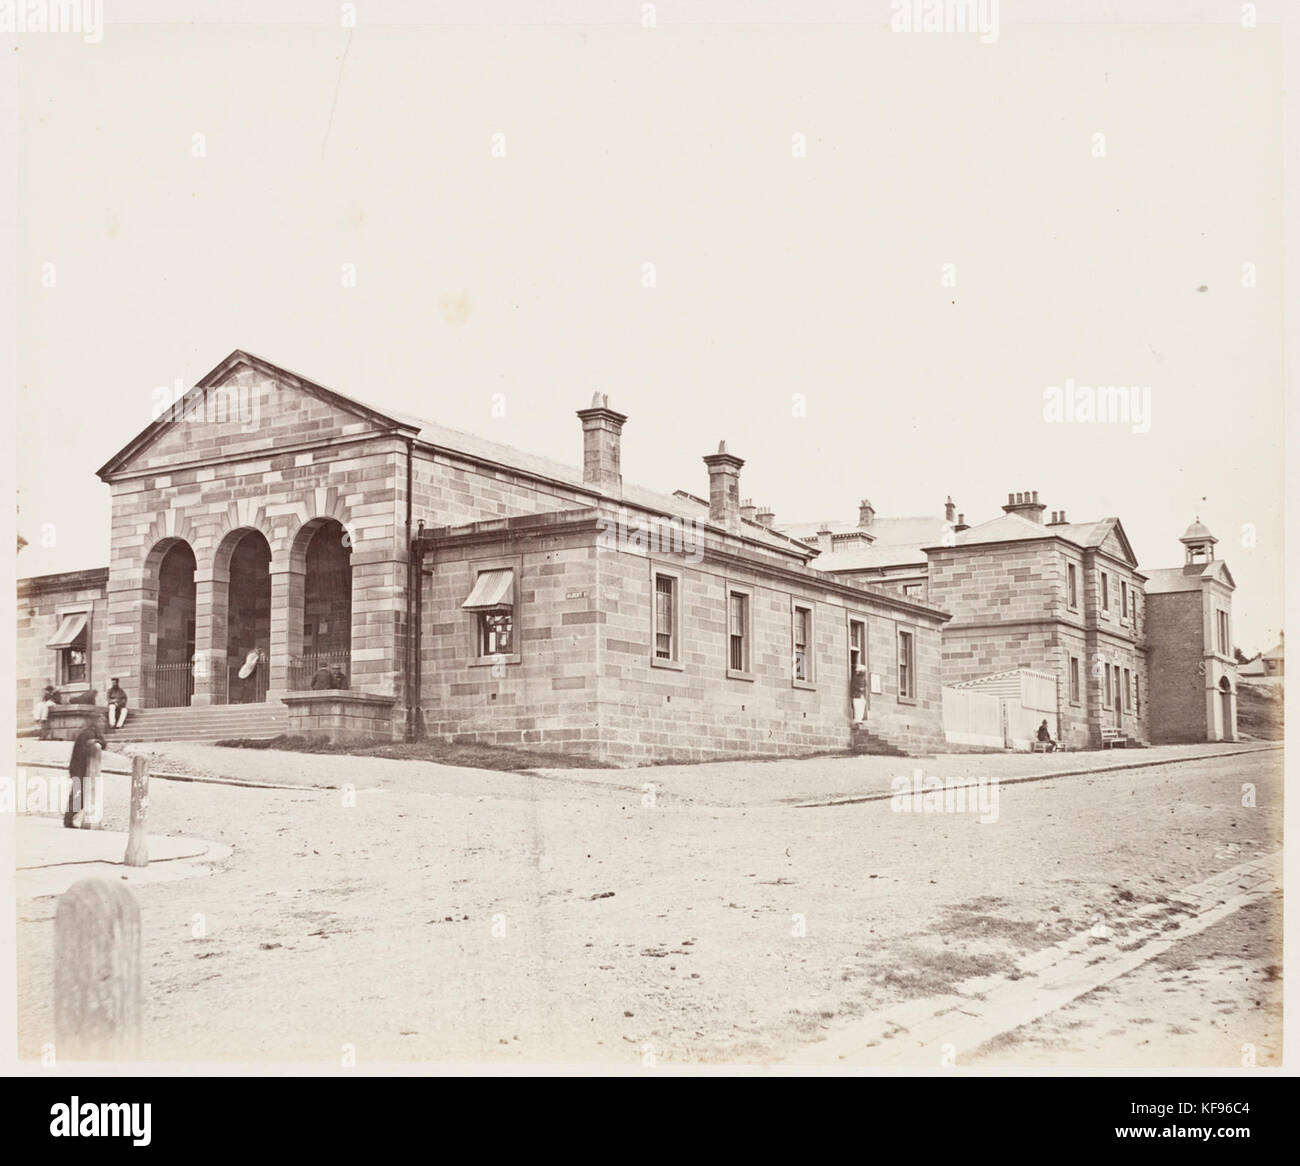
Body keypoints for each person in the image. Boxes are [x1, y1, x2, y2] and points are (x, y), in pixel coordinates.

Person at [65, 718, 106, 828]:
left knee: (80, 795)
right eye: (101, 722)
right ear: (95, 723)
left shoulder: (94, 733)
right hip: (79, 768)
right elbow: (85, 750)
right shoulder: (87, 734)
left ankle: (70, 819)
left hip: (82, 769)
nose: (103, 724)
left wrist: (96, 741)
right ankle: (68, 819)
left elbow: (104, 744)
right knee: (78, 795)